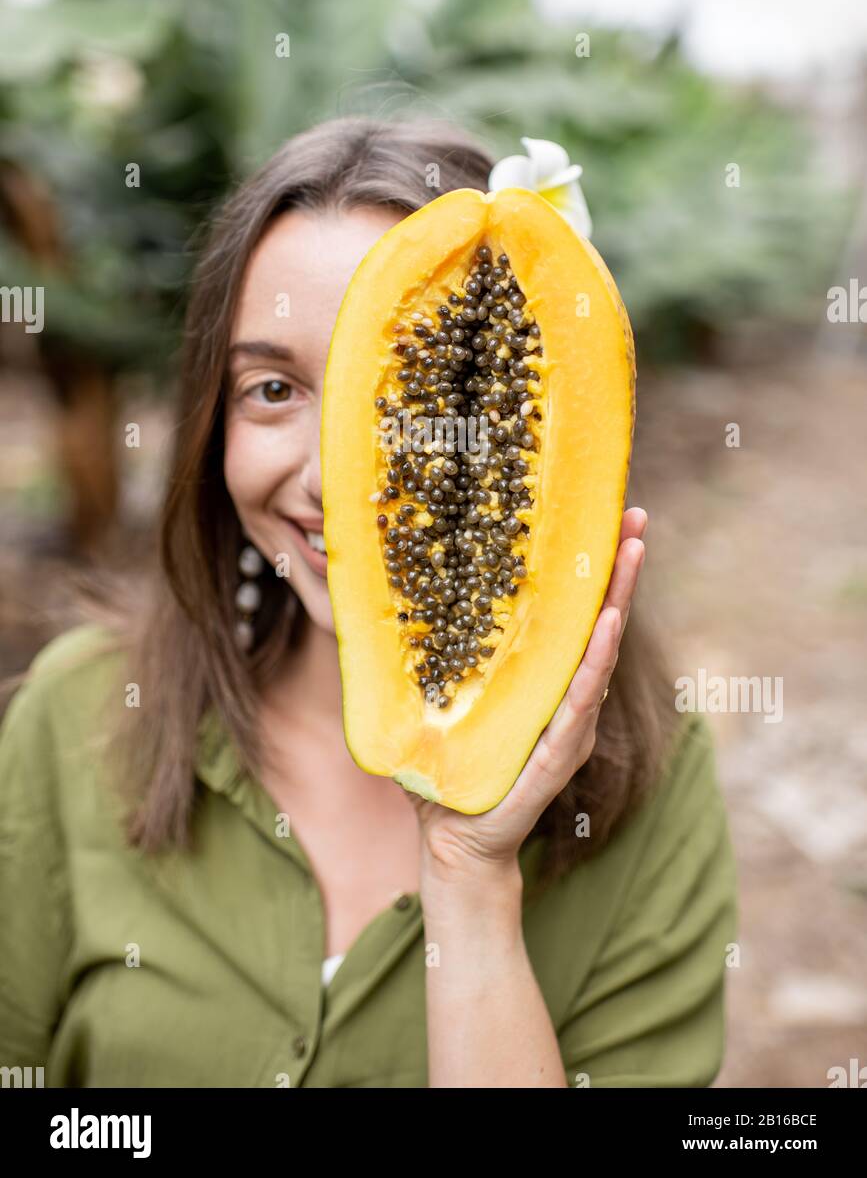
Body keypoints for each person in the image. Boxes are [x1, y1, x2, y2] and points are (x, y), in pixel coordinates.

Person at [0, 116, 737, 1088]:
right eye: (272, 388)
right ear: (210, 422)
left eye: (405, 396)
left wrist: (470, 881)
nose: (334, 474)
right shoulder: (73, 715)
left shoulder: (657, 794)